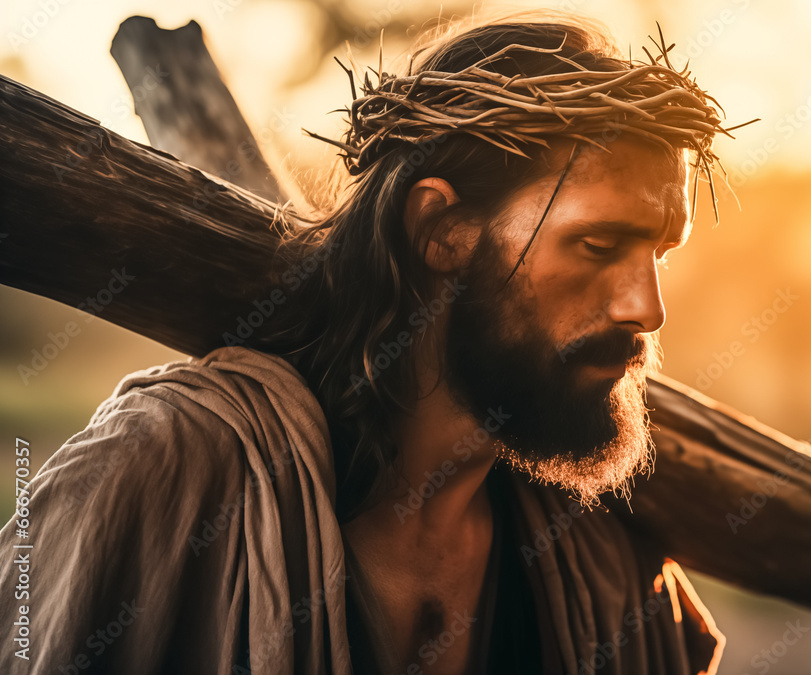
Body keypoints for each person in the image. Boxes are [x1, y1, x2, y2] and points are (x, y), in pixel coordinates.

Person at [0, 10, 733, 674]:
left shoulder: (602, 571)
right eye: (599, 243)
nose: (649, 307)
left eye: (660, 254)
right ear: (438, 231)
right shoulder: (161, 471)